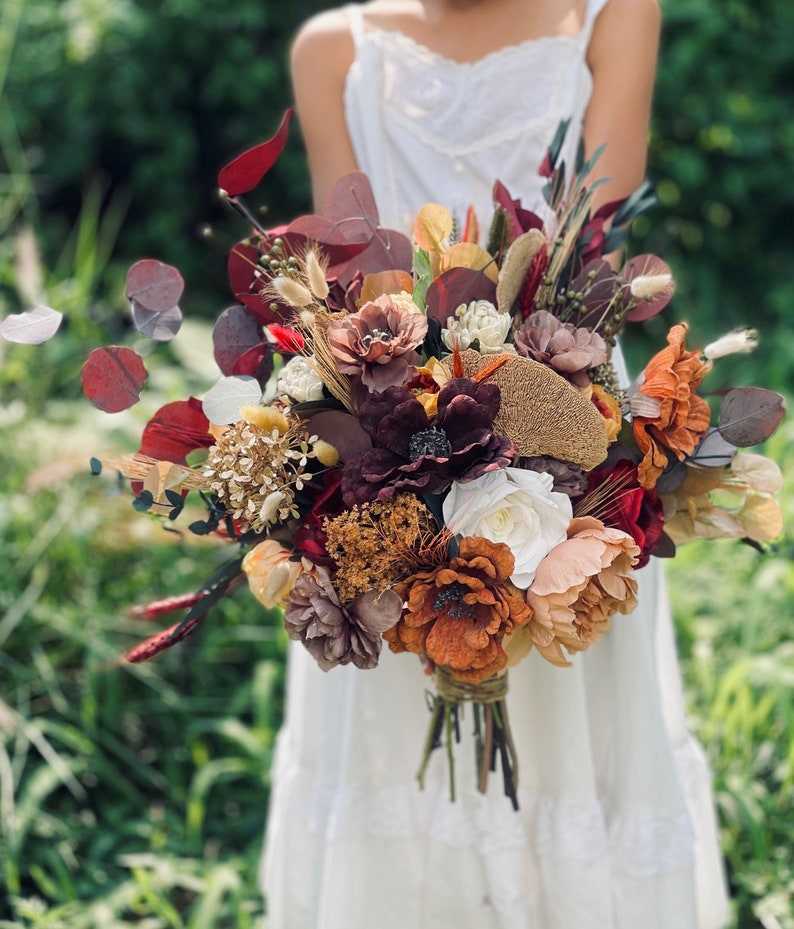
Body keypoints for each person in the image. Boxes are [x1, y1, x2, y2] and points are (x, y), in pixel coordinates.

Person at [261, 2, 731, 927]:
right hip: (385, 416)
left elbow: (598, 237)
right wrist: (385, 437)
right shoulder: (334, 51)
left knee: (568, 673)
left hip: (570, 405)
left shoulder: (610, 12)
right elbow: (347, 274)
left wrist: (523, 419)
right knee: (402, 689)